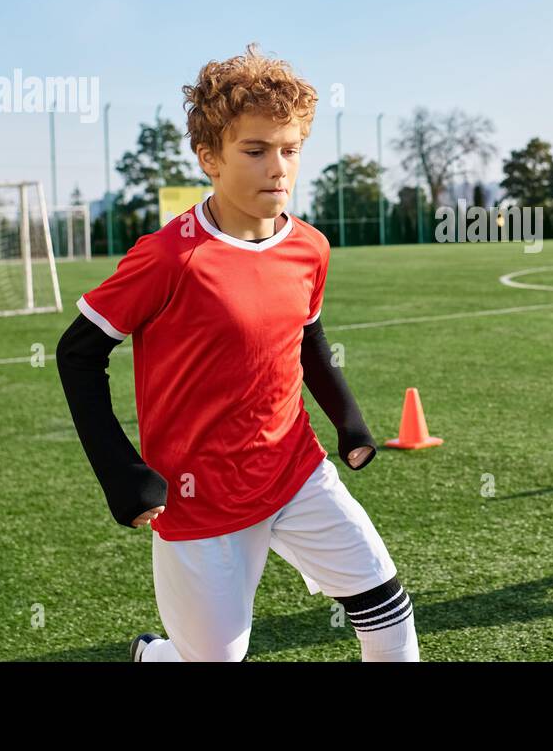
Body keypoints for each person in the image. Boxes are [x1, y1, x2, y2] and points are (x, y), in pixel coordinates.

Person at [56, 44, 419, 660]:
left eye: (290, 149)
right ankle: (158, 655)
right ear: (210, 159)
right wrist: (122, 473)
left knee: (389, 619)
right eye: (255, 151)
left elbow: (306, 335)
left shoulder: (309, 247)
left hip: (295, 473)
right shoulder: (170, 258)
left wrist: (347, 418)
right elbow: (77, 354)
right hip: (200, 501)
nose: (277, 167)